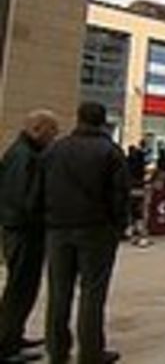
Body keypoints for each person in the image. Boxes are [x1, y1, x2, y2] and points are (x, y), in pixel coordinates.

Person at [43, 102, 128, 364]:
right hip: (96, 230)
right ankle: (90, 352)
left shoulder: (55, 149)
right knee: (92, 292)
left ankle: (57, 350)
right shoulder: (110, 152)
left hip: (58, 229)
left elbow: (40, 187)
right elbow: (119, 195)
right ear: (103, 122)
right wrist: (118, 226)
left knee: (58, 292)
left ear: (78, 118)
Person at [0, 110, 59, 362]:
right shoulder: (24, 157)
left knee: (24, 288)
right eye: (52, 132)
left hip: (24, 230)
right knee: (19, 288)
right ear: (38, 129)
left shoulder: (27, 153)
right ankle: (6, 345)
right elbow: (22, 199)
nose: (54, 138)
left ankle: (14, 334)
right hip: (23, 232)